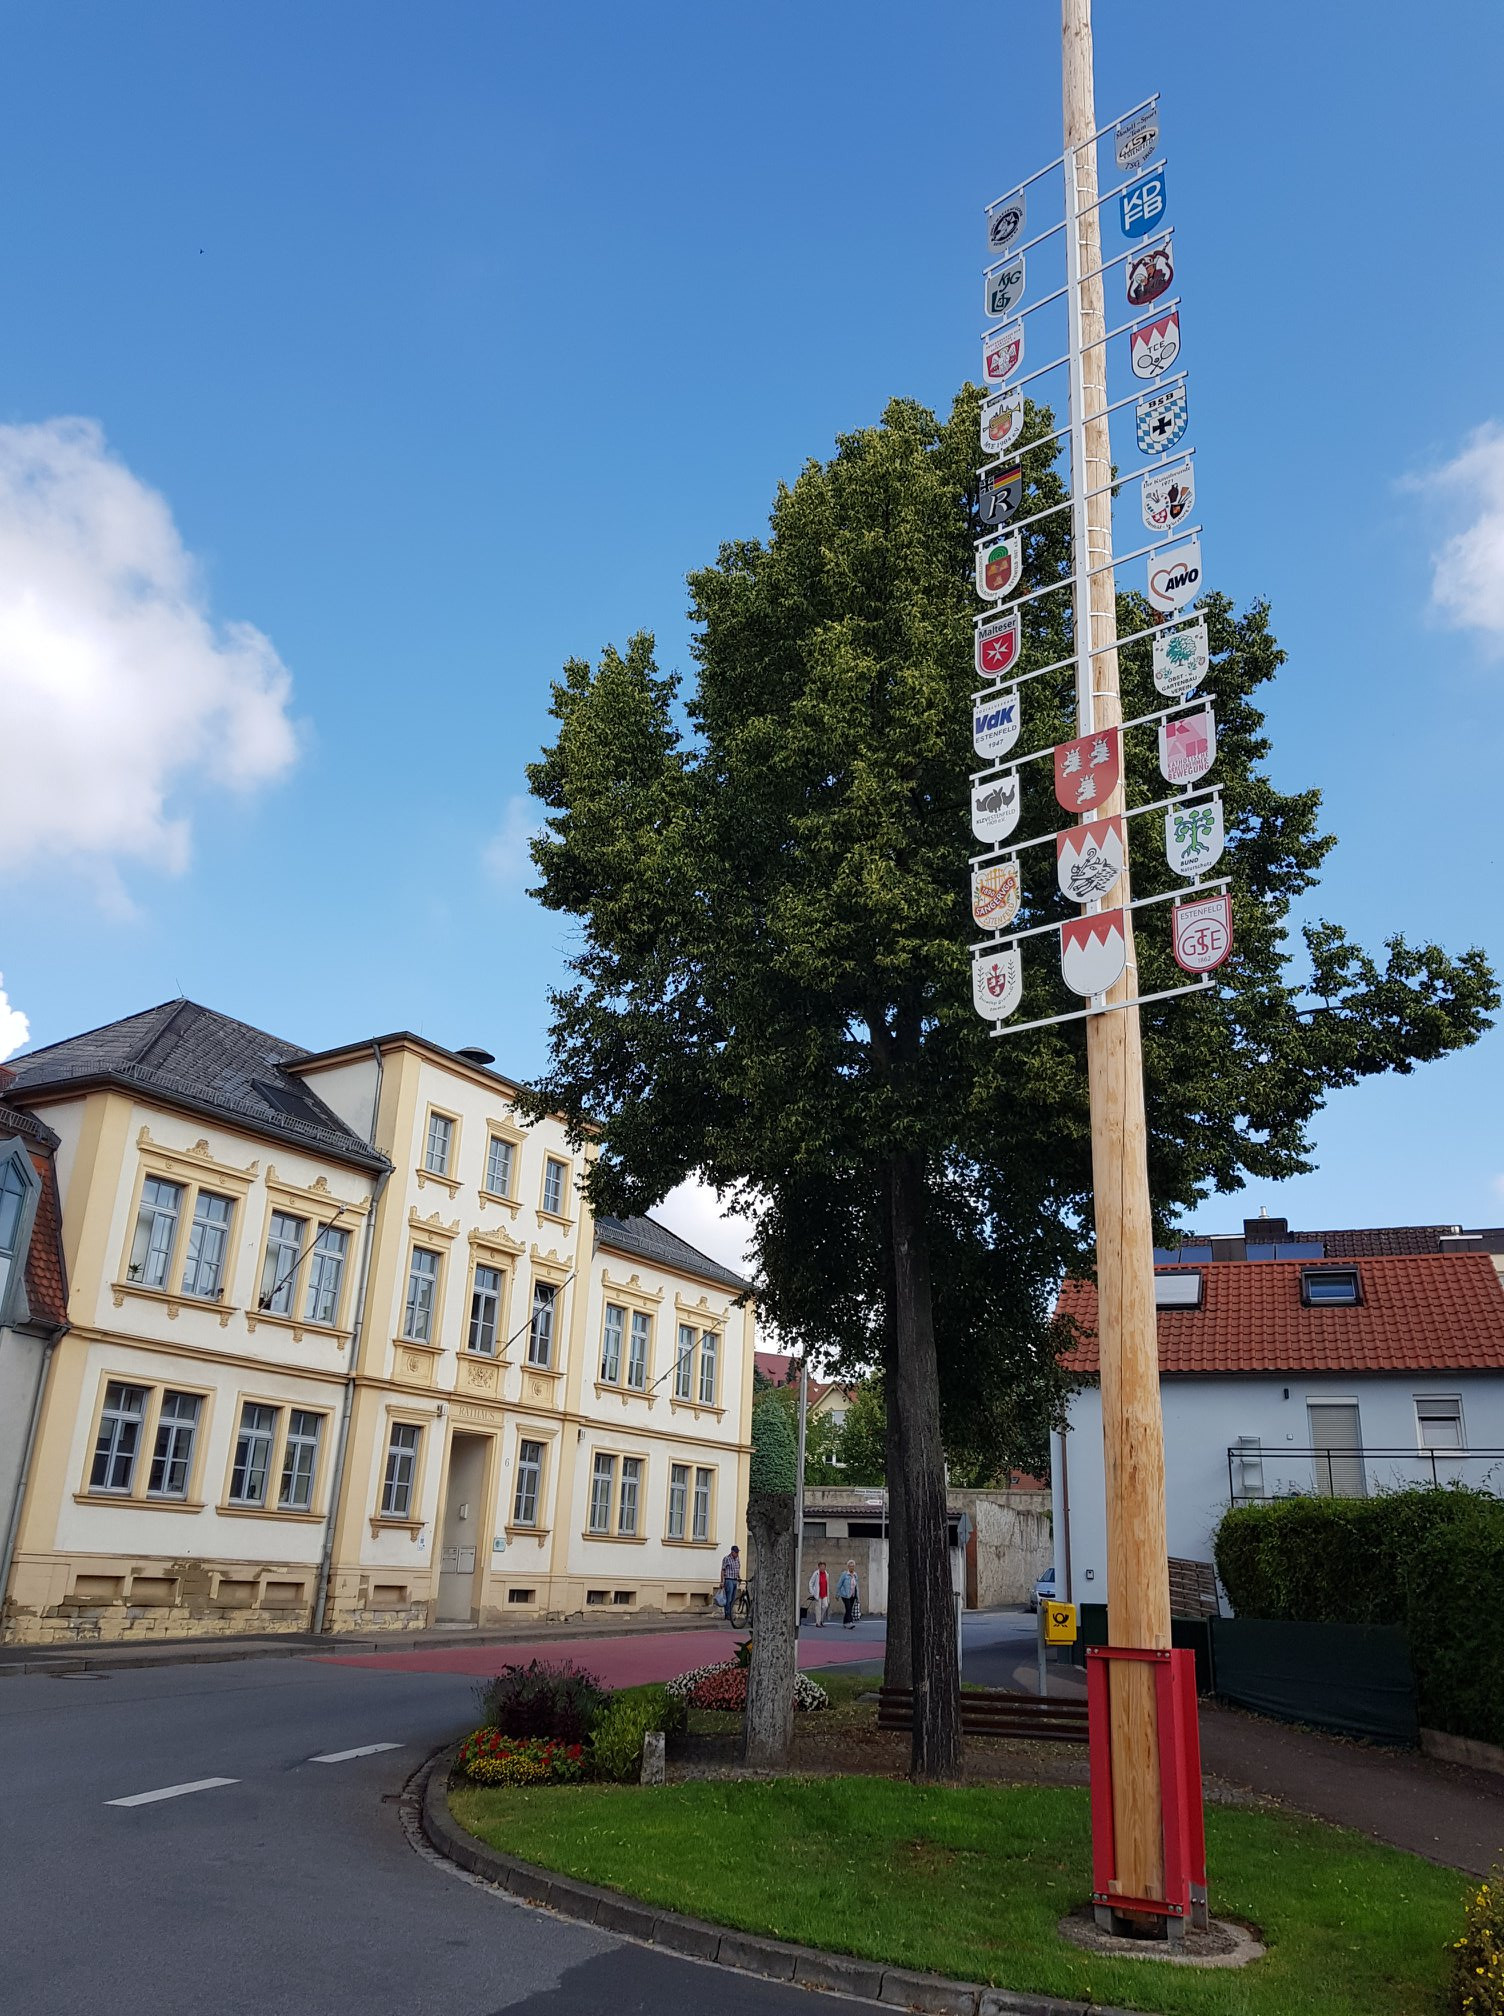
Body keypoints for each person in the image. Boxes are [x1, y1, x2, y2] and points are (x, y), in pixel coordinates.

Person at [719, 1544, 741, 1621]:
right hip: (729, 1580)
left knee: (733, 1598)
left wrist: (739, 1577)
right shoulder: (727, 1559)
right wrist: (722, 1582)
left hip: (735, 1580)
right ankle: (727, 1614)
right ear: (732, 1552)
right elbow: (723, 1570)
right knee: (728, 1598)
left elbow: (737, 1569)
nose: (737, 1554)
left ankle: (730, 1613)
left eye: (738, 1552)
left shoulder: (737, 1559)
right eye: (736, 1552)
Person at [837, 1559, 860, 1629]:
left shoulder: (855, 1575)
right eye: (850, 1566)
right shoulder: (844, 1574)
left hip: (852, 1595)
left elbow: (856, 1586)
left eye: (853, 1566)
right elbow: (839, 1584)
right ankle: (850, 1622)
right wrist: (837, 1594)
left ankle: (845, 1622)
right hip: (845, 1595)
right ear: (848, 1567)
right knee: (848, 1608)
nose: (851, 1567)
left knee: (849, 1609)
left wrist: (858, 1596)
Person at [807, 1560, 829, 1628]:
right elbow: (811, 1583)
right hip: (818, 1594)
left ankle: (821, 1620)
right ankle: (818, 1622)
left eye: (824, 1567)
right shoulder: (816, 1574)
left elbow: (827, 1584)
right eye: (821, 1567)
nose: (822, 1568)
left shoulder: (827, 1574)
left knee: (825, 1606)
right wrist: (812, 1592)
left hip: (825, 1593)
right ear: (819, 1567)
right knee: (818, 1608)